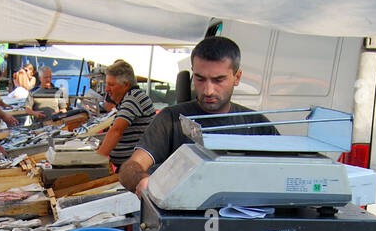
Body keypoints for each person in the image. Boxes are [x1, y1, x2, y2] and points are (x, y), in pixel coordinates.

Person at [117, 36, 278, 197]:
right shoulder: (171, 120)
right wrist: (144, 180)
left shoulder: (257, 125)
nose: (208, 90)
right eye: (200, 79)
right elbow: (131, 167)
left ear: (237, 77)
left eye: (218, 80)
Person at [94, 60, 156, 172]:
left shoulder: (133, 98)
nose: (107, 89)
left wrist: (95, 161)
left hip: (135, 170)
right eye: (107, 84)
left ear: (126, 84)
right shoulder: (129, 98)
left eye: (111, 85)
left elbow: (116, 131)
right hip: (127, 168)